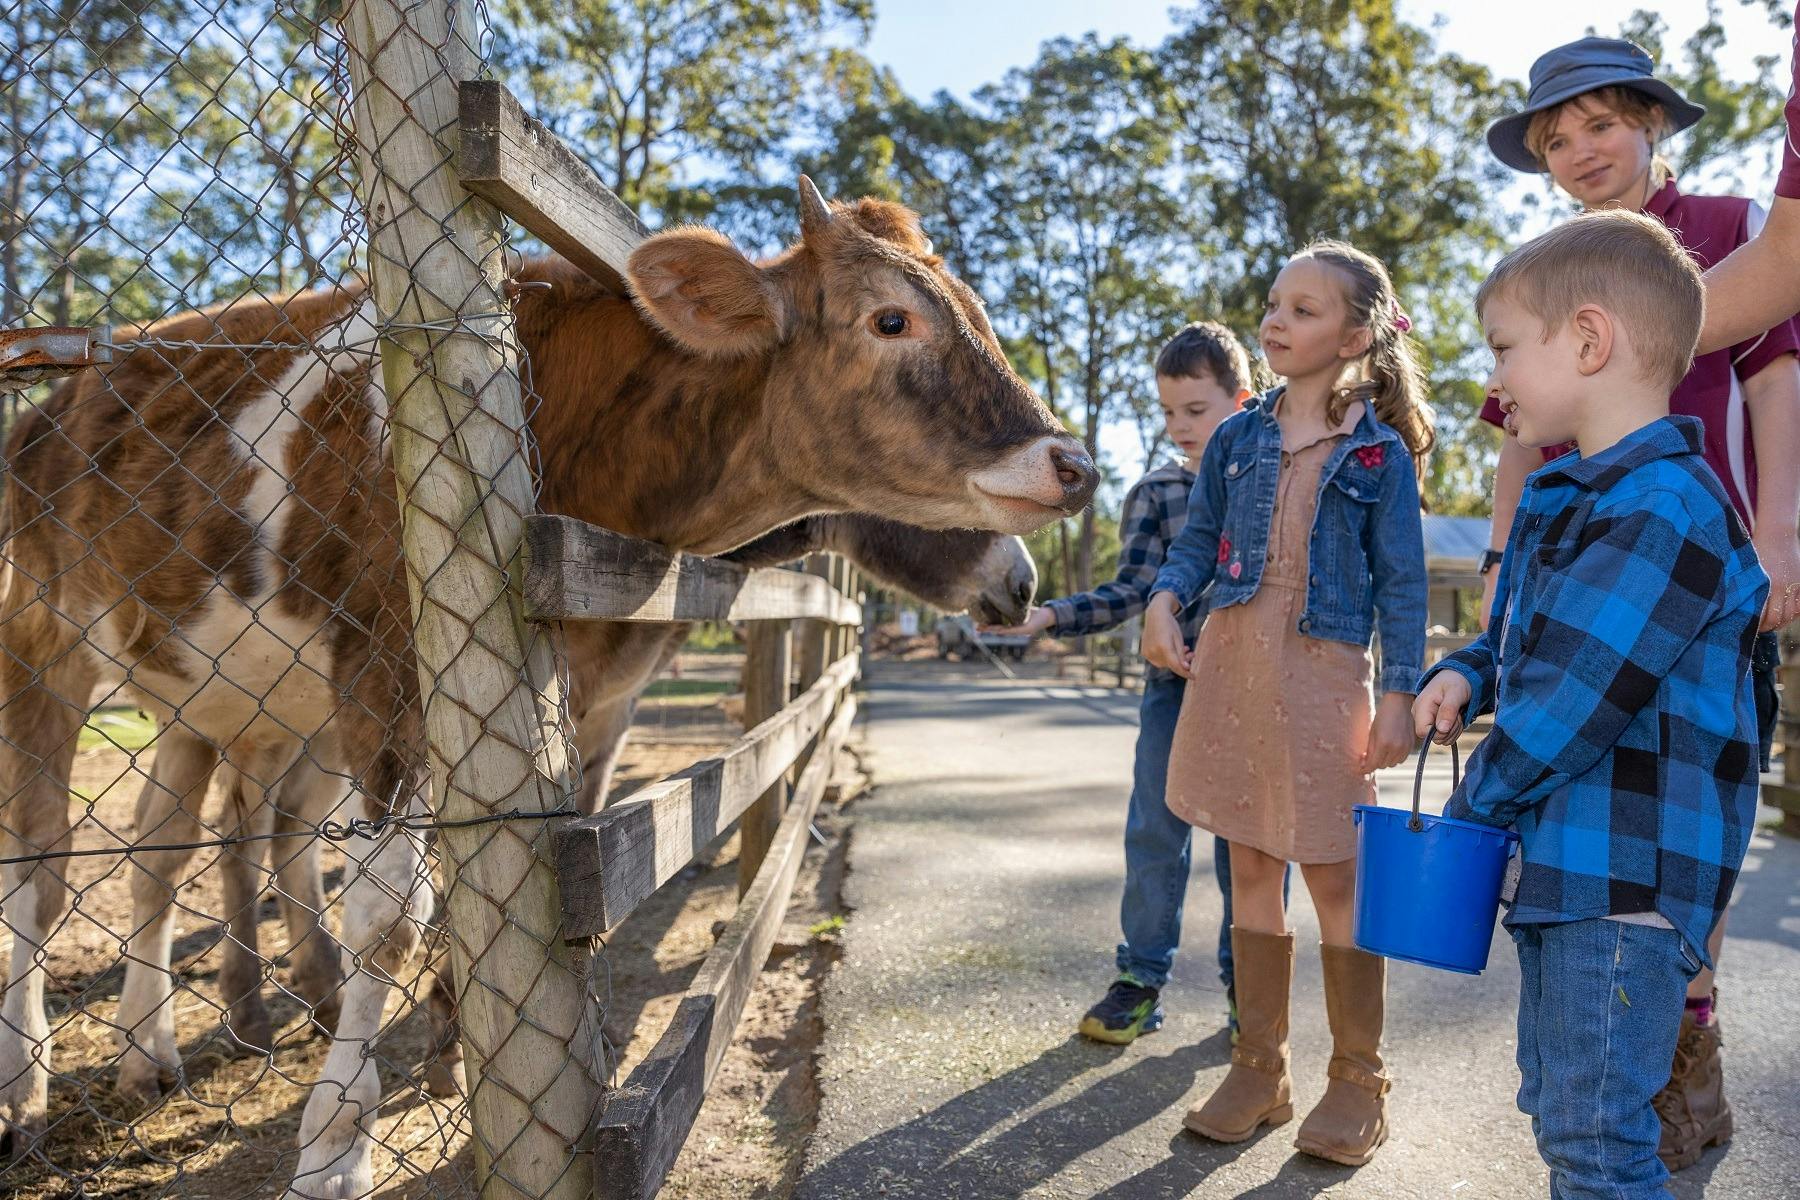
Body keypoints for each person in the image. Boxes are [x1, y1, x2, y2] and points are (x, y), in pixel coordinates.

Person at [1477, 38, 1800, 1168]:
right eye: (1556, 142)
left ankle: (1679, 1054)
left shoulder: (1718, 225)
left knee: (1686, 796)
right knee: (1616, 798)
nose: (1578, 153)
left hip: (1699, 556)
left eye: (1597, 126)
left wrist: (1778, 530)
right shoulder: (1551, 271)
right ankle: (1636, 1062)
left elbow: (1771, 380)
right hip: (1587, 550)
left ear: (1653, 123)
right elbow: (1522, 439)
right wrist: (1502, 570)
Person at [1415, 210, 1768, 1200]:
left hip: (1626, 880)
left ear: (1586, 338)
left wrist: (1468, 808)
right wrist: (1470, 671)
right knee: (1567, 1110)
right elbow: (1535, 639)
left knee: (1598, 1135)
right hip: (1573, 868)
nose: (1495, 379)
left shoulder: (1662, 507)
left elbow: (1571, 700)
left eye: (1502, 349)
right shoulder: (1572, 498)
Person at [1143, 240, 1428, 1167]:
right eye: (1274, 303)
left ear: (1357, 334)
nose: (1276, 320)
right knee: (1251, 861)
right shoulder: (1236, 436)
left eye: (1304, 309)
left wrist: (1399, 695)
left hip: (1321, 673)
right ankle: (1259, 1069)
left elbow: (1405, 584)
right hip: (1232, 665)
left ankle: (1359, 1080)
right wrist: (1161, 599)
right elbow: (1197, 546)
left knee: (1334, 869)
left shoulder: (1381, 453)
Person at [987, 321, 1275, 1045]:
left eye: (1196, 411)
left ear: (1243, 400)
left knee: (1249, 845)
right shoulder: (1156, 491)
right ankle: (1141, 979)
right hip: (1174, 692)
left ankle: (1253, 989)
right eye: (1169, 412)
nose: (1179, 428)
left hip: (1261, 694)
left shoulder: (1282, 482)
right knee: (1155, 833)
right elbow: (1133, 591)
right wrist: (1050, 615)